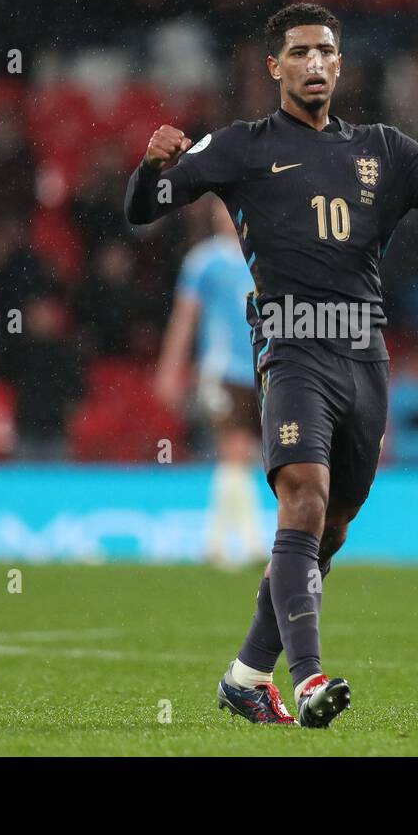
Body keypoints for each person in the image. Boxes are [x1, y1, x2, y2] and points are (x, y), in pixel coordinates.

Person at [125, 2, 418, 727]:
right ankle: (308, 683)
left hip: (365, 354)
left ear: (341, 62)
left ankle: (244, 677)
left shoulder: (385, 152)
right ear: (275, 67)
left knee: (328, 530)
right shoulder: (240, 147)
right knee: (302, 496)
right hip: (291, 348)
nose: (316, 63)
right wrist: (149, 167)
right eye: (300, 52)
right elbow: (145, 210)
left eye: (327, 51)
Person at [154, 197, 266, 569]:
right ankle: (251, 542)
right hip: (221, 369)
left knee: (245, 453)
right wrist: (171, 366)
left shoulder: (265, 256)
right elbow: (185, 317)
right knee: (234, 446)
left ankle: (214, 541)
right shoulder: (204, 261)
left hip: (263, 366)